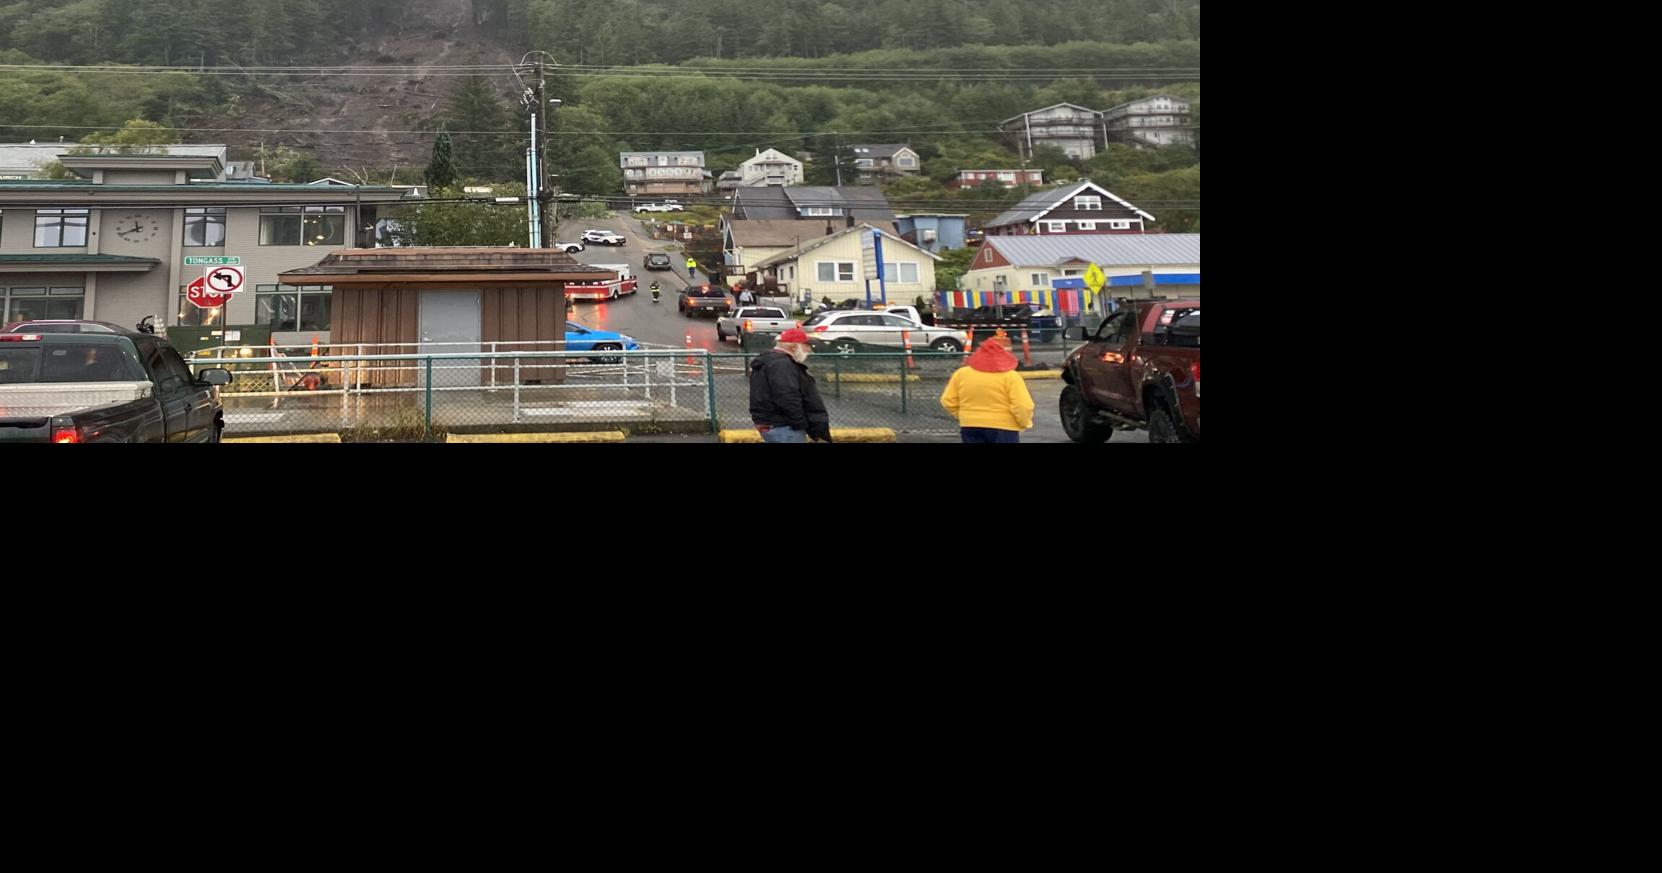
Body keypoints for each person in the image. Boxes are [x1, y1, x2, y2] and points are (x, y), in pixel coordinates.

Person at [939, 331, 1034, 443]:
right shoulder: (1010, 376)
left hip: (970, 425)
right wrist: (1024, 422)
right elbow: (1022, 405)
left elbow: (948, 401)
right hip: (1004, 427)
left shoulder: (961, 374)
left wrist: (965, 415)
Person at [749, 328, 831, 444]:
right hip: (783, 426)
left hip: (774, 423)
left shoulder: (771, 362)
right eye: (805, 346)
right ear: (794, 347)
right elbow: (787, 398)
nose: (809, 349)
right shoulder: (782, 365)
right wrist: (801, 424)